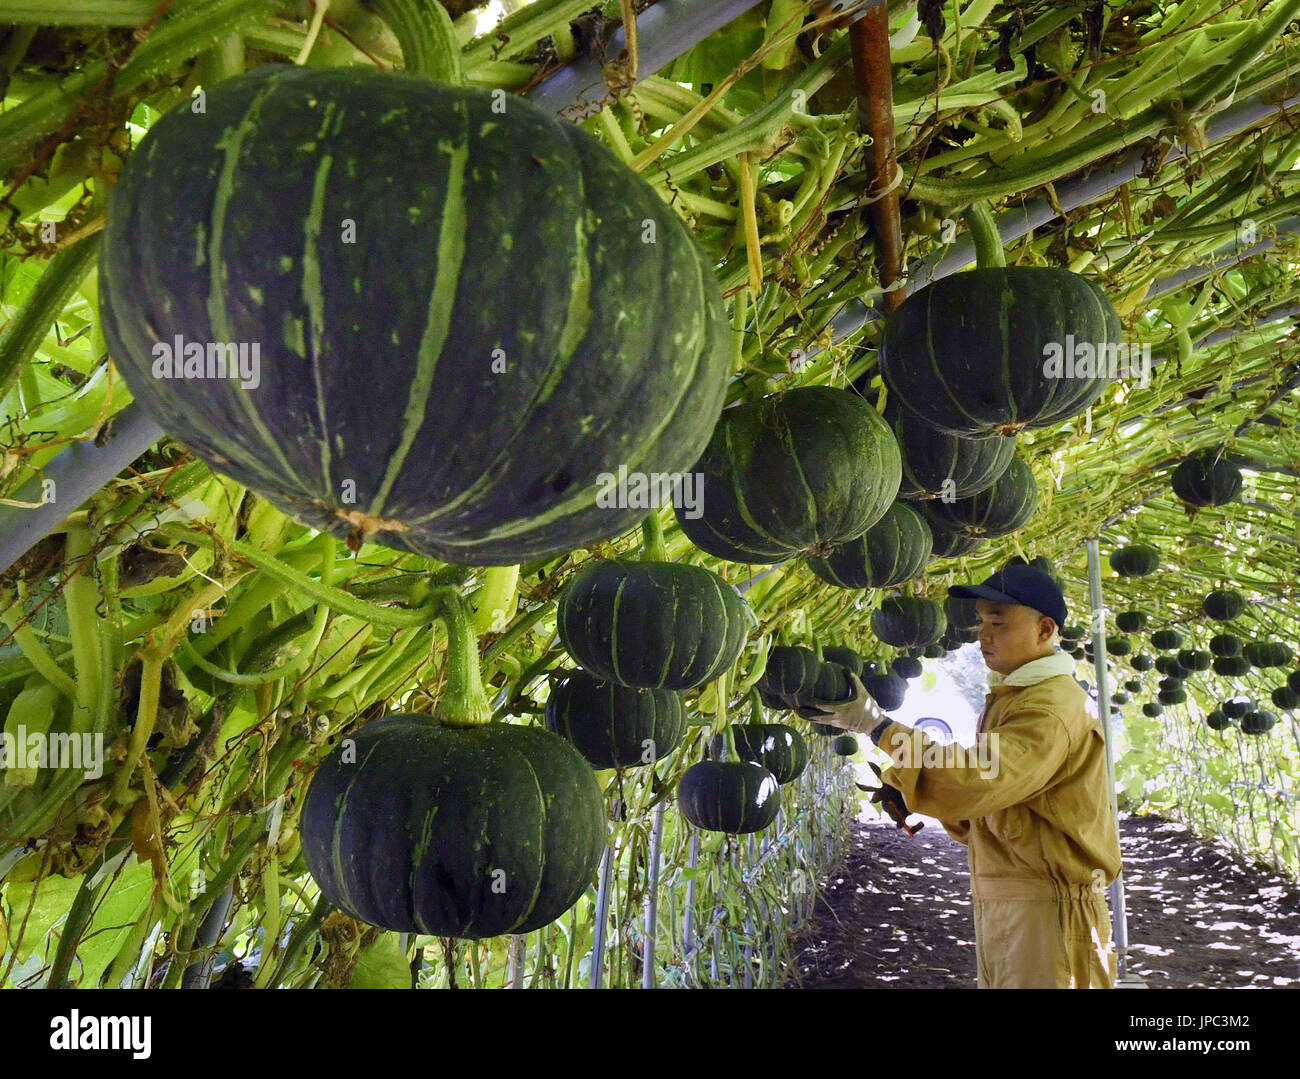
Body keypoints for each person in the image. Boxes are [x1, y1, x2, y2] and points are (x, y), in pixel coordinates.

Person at [809, 565, 1123, 989]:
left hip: (1048, 912)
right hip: (1019, 904)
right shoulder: (1019, 698)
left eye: (998, 622)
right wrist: (916, 792)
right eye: (980, 622)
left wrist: (878, 728)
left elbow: (978, 779)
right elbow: (996, 805)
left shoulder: (1048, 708)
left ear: (1045, 629)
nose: (984, 635)